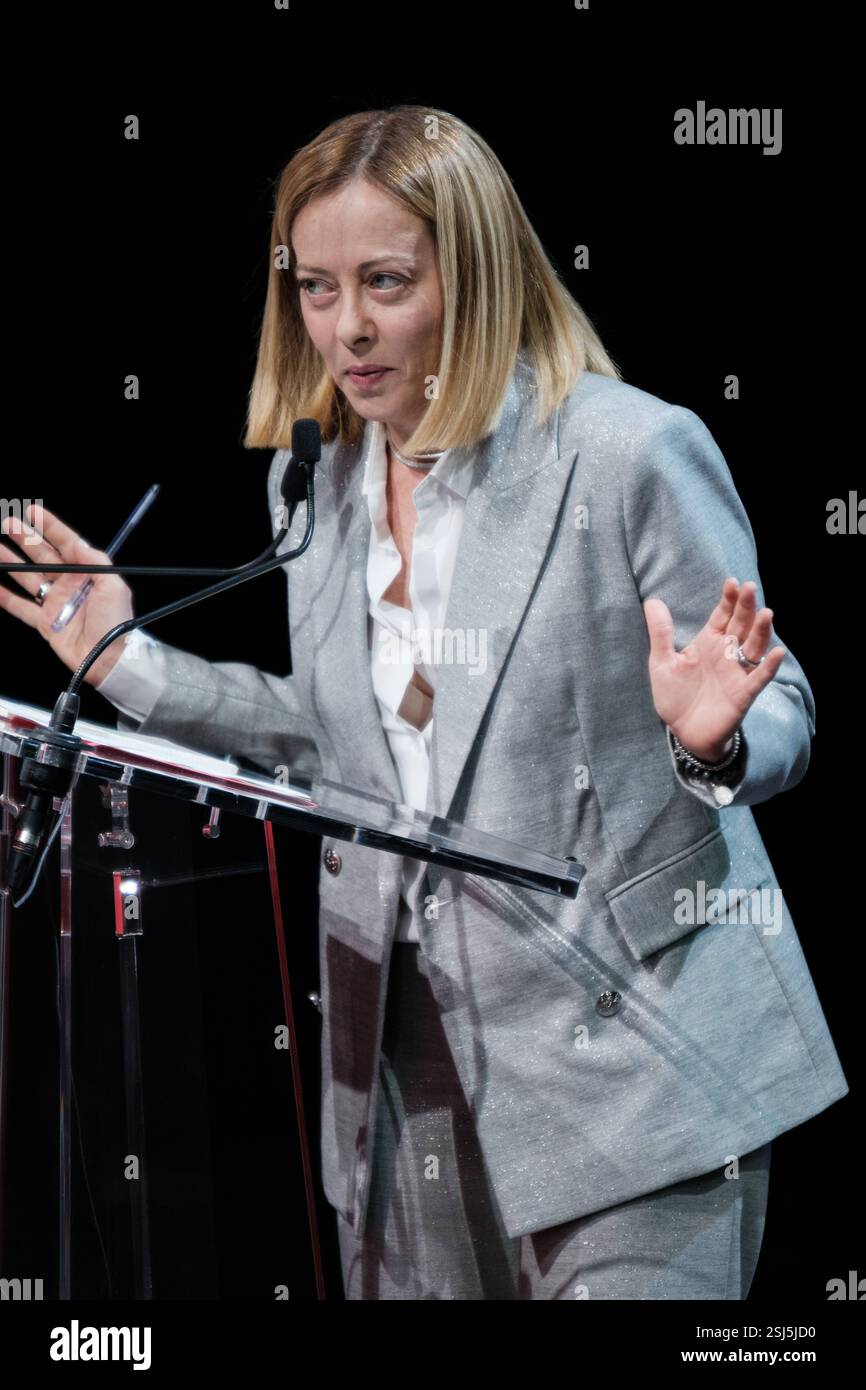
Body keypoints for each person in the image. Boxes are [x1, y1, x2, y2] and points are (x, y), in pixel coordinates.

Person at [0, 106, 848, 1300]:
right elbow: (339, 745)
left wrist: (711, 739)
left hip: (636, 1062)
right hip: (405, 1075)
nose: (346, 327)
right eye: (315, 288)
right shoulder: (318, 479)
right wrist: (120, 657)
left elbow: (783, 702)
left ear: (476, 271)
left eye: (386, 283)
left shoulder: (626, 450)